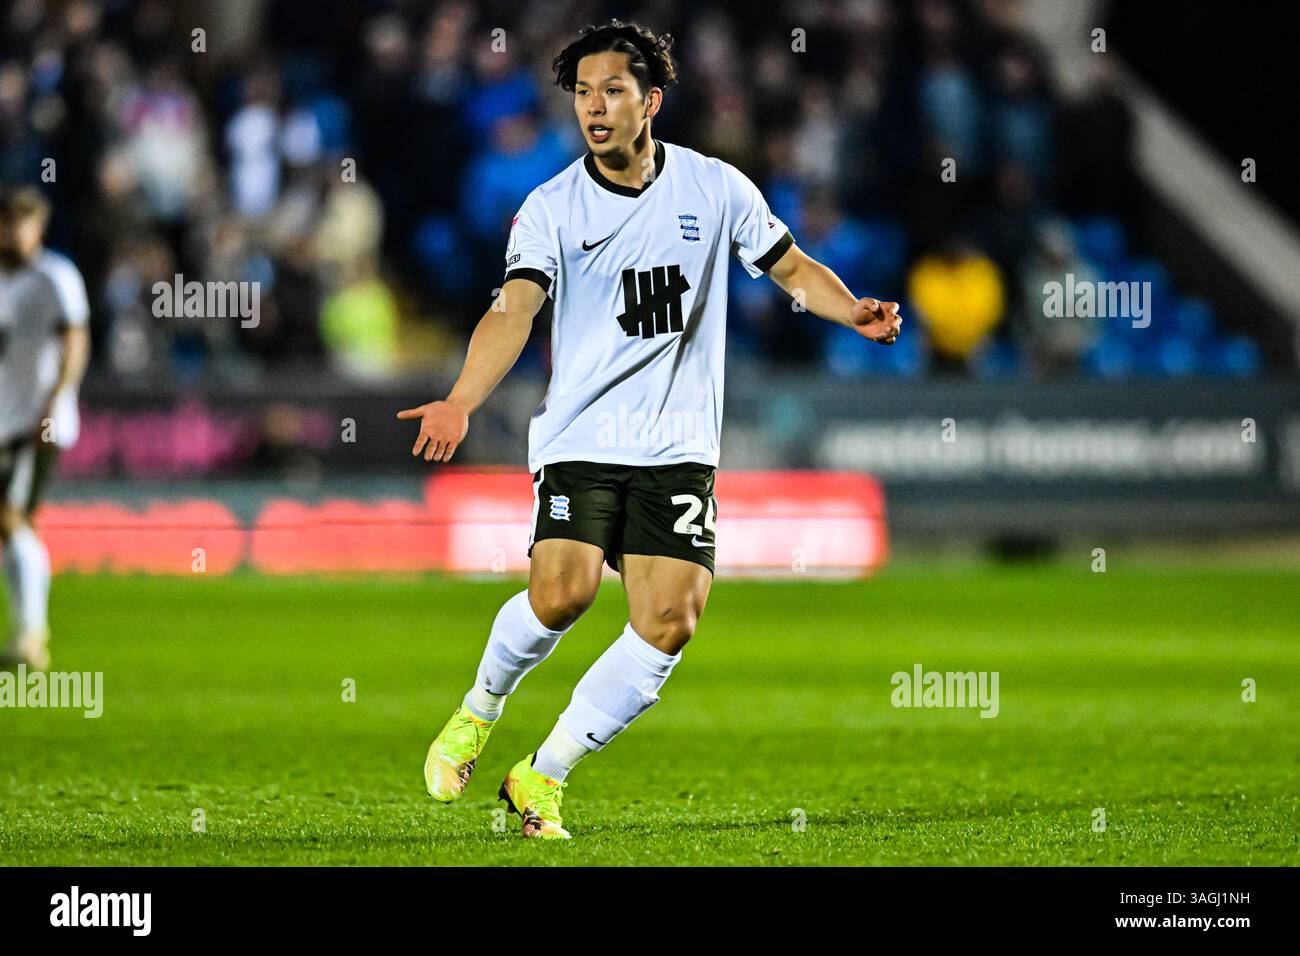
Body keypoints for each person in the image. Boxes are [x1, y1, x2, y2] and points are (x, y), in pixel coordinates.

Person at [397, 20, 901, 839]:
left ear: (651, 100)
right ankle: (478, 709)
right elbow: (515, 308)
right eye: (582, 94)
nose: (594, 109)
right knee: (563, 594)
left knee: (672, 618)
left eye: (612, 92)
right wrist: (462, 396)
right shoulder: (550, 207)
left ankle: (542, 776)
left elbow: (790, 265)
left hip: (677, 448)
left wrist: (853, 311)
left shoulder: (716, 188)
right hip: (583, 437)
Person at [0, 187, 91, 670]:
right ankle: (26, 632)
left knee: (12, 518)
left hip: (37, 420)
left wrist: (57, 402)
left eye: (25, 222)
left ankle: (31, 634)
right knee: (13, 525)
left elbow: (76, 340)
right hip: (2, 417)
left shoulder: (56, 277)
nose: (15, 232)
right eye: (9, 222)